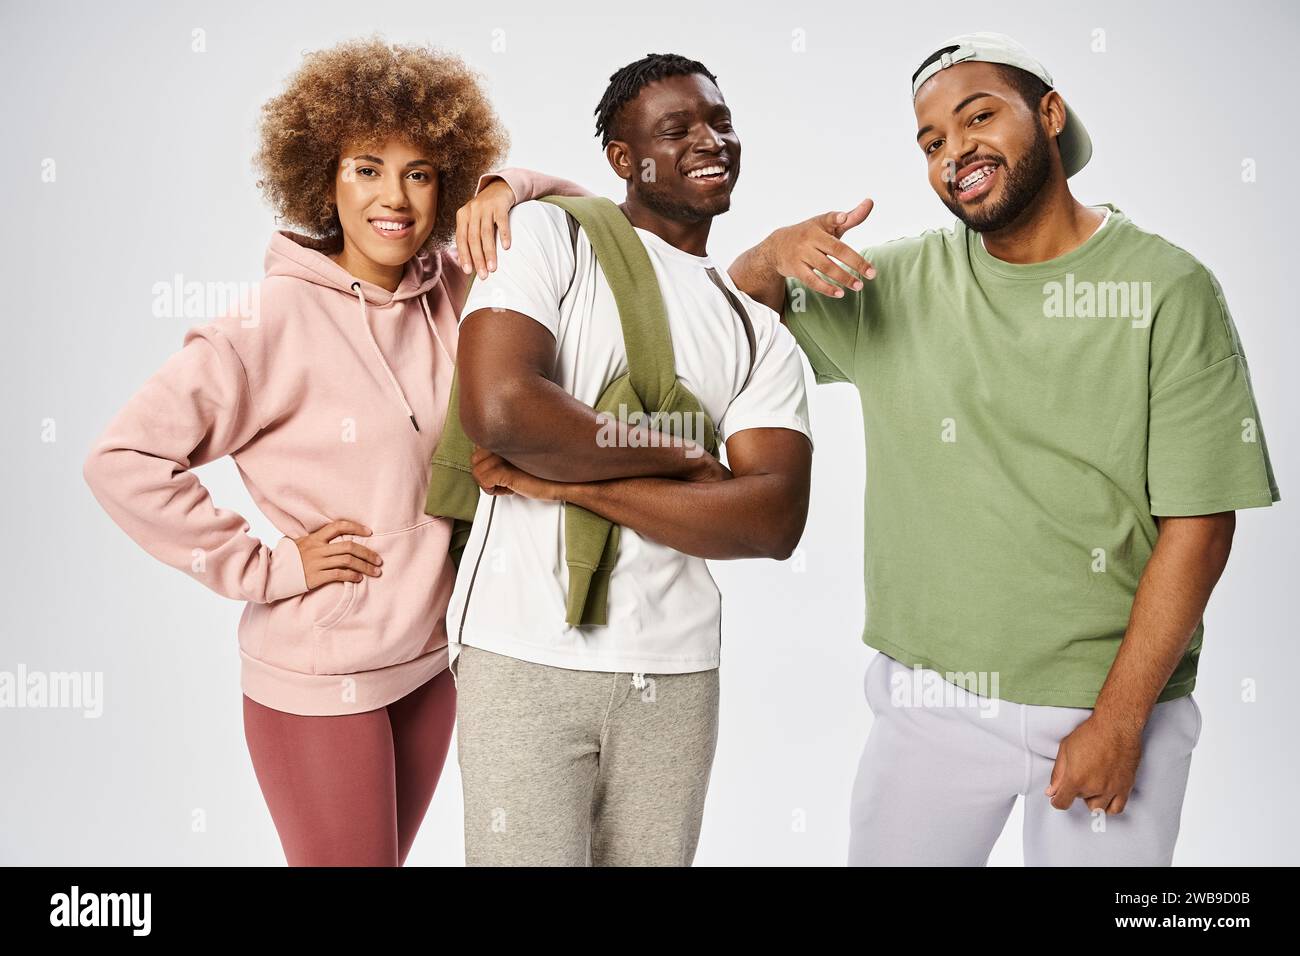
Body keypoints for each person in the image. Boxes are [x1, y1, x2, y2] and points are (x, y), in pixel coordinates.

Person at [726, 32, 1280, 865]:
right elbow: (722, 336)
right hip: (929, 707)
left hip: (1115, 707)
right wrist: (770, 255)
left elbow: (1200, 524)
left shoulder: (1170, 289)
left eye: (978, 116)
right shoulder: (898, 284)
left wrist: (1121, 719)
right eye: (931, 142)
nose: (955, 152)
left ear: (1049, 115)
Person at [82, 37, 579, 866]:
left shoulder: (461, 288)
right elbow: (121, 459)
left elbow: (589, 220)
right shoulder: (267, 324)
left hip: (434, 659)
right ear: (324, 178)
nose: (396, 198)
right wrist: (267, 569)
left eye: (420, 173)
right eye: (366, 168)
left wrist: (506, 187)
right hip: (321, 677)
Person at [441, 52, 814, 866]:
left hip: (677, 672)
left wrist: (564, 483)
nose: (708, 139)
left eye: (719, 122)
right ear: (623, 159)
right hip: (523, 651)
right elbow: (503, 408)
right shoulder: (549, 236)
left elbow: (771, 518)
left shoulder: (759, 333)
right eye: (675, 128)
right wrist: (684, 460)